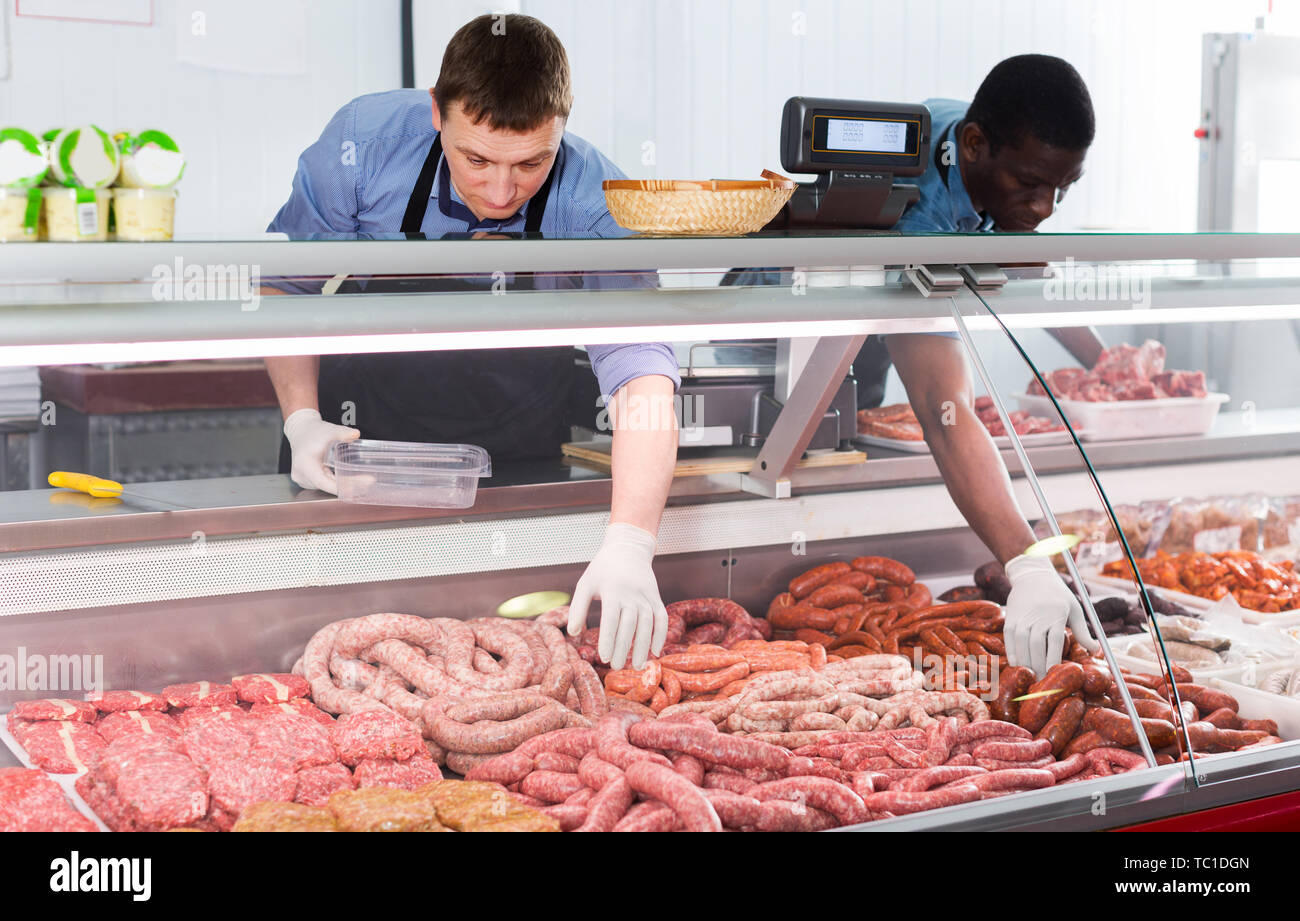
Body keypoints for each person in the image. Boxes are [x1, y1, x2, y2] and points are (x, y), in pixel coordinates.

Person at [263, 14, 677, 671]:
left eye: (531, 163)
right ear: (436, 112)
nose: (501, 191)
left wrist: (630, 540)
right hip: (364, 447)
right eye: (476, 159)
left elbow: (642, 376)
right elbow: (285, 287)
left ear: (561, 130)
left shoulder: (596, 200)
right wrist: (303, 420)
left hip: (513, 448)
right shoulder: (364, 145)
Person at [885, 54, 1104, 675]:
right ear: (976, 145)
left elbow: (1025, 262)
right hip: (770, 363)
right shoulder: (916, 214)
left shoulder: (980, 142)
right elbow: (943, 411)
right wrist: (1026, 562)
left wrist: (1108, 365)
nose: (1046, 209)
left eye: (1064, 187)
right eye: (1032, 185)